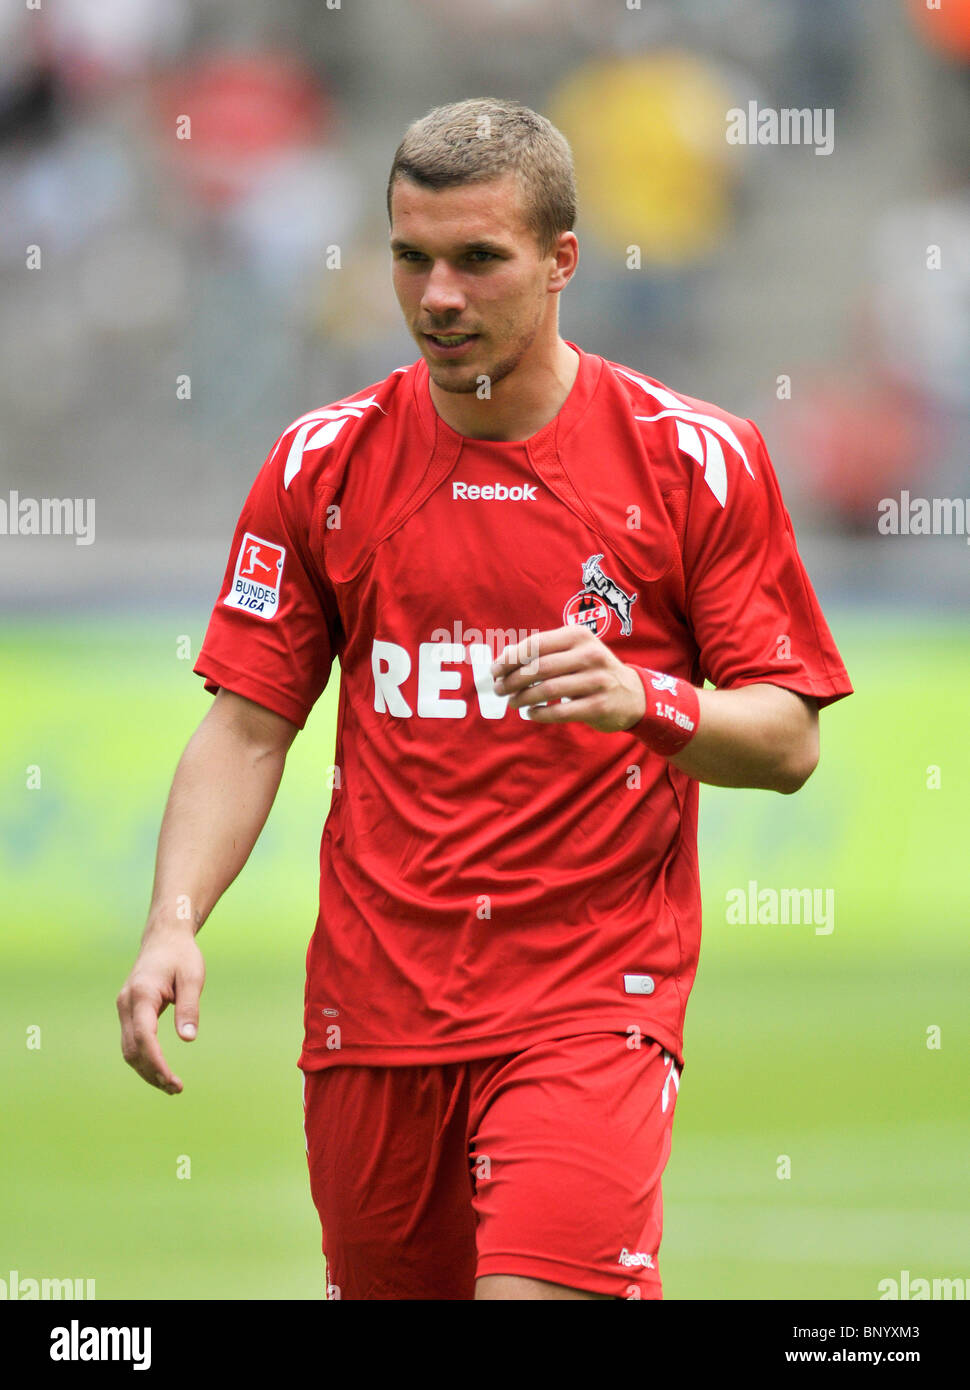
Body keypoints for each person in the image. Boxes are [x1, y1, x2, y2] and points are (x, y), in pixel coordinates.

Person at [117, 98, 853, 1301]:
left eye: (476, 259)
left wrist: (644, 703)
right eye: (410, 257)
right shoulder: (321, 464)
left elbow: (787, 738)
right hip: (374, 1014)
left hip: (589, 1002)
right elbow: (250, 724)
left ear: (561, 262)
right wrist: (173, 919)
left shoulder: (693, 458)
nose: (437, 295)